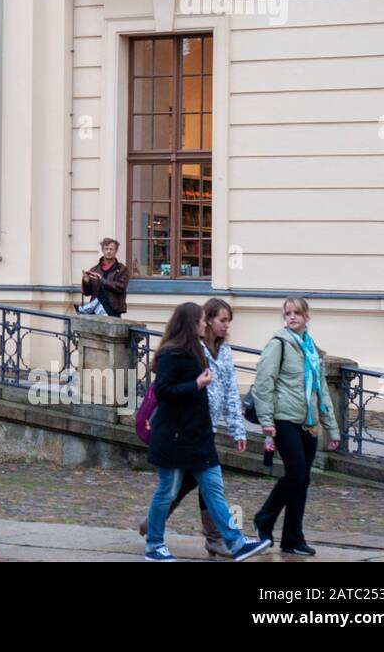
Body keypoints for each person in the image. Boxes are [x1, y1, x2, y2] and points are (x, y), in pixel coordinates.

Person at [142, 301, 269, 562]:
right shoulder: (172, 353)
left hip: (200, 435)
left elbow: (229, 391)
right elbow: (164, 392)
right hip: (176, 436)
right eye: (201, 320)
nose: (204, 323)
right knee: (167, 490)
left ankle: (234, 542)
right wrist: (196, 384)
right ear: (193, 323)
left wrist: (237, 429)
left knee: (213, 488)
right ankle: (154, 544)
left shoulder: (200, 352)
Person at [251, 297, 340, 557]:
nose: (292, 317)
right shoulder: (279, 343)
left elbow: (321, 391)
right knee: (296, 474)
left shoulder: (312, 350)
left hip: (308, 422)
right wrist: (267, 421)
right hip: (285, 418)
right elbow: (263, 382)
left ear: (306, 316)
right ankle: (263, 519)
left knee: (303, 480)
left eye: (297, 313)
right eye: (288, 313)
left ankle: (292, 537)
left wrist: (332, 430)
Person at [80, 237, 129, 317]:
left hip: (113, 310)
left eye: (111, 249)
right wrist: (86, 282)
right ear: (103, 250)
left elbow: (121, 287)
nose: (108, 251)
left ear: (116, 251)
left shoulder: (122, 269)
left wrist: (101, 280)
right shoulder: (95, 269)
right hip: (95, 310)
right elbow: (87, 293)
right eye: (106, 249)